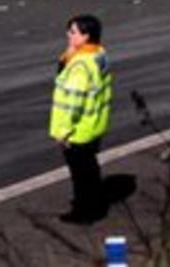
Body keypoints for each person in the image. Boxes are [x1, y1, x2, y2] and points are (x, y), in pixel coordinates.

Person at [51, 13, 113, 224]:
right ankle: (94, 206)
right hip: (94, 124)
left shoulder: (79, 67)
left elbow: (72, 103)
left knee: (81, 174)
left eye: (73, 32)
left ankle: (84, 212)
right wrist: (68, 55)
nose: (68, 35)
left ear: (85, 36)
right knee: (90, 169)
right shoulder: (99, 54)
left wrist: (63, 131)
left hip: (78, 130)